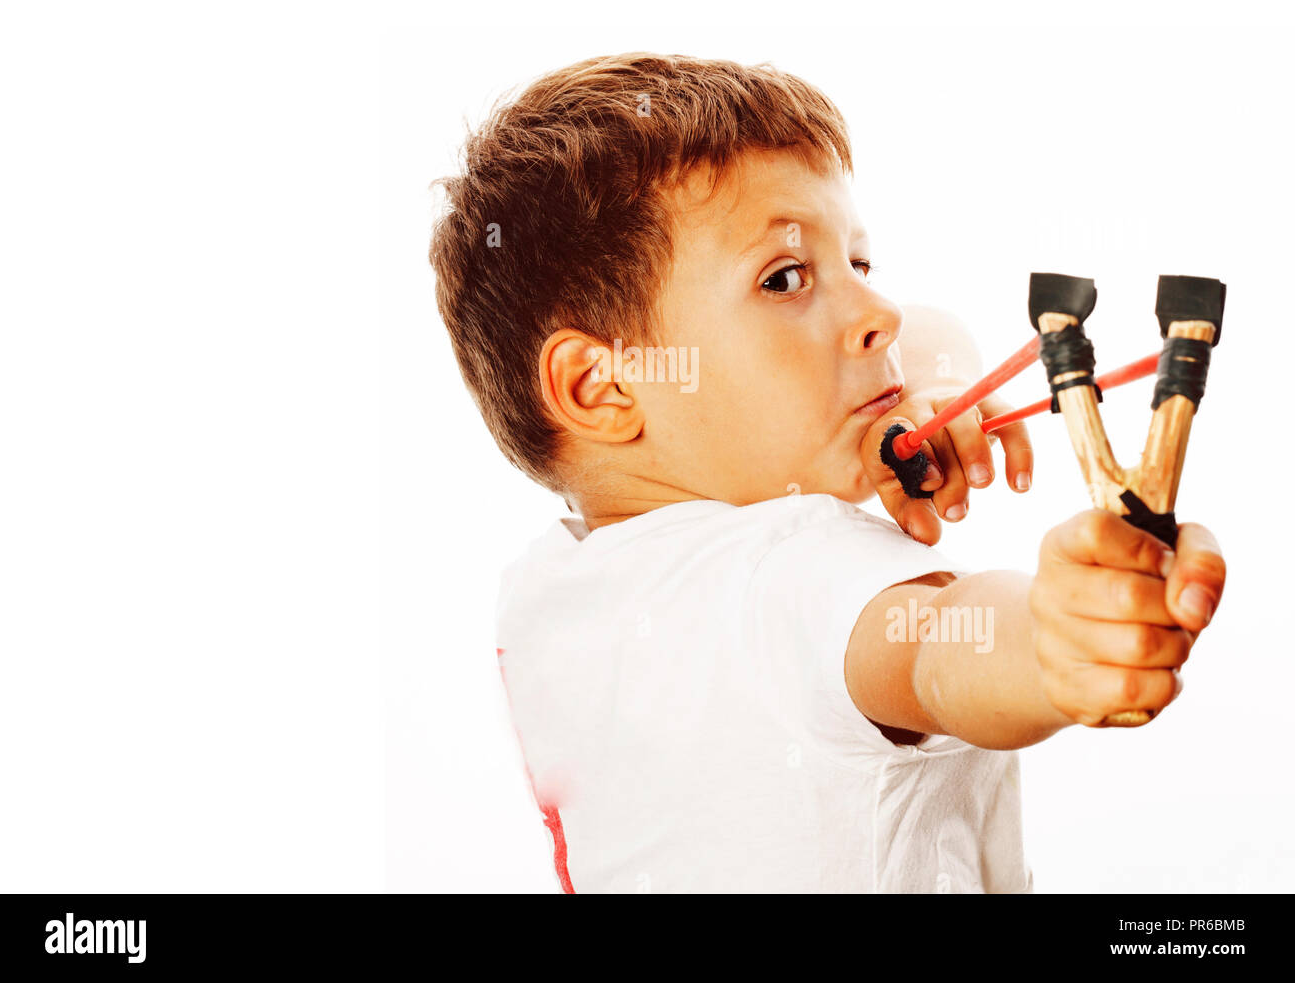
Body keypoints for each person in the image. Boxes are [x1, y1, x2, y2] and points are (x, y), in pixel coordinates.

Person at [429, 53, 1227, 892]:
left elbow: (924, 328)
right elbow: (932, 646)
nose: (879, 313)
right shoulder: (788, 564)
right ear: (603, 385)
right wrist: (1051, 635)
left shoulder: (549, 589)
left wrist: (937, 384)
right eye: (785, 278)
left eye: (860, 265)